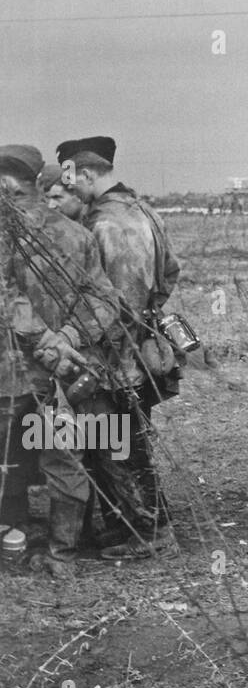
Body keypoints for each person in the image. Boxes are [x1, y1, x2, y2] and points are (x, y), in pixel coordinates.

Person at [0, 144, 122, 577]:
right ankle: (61, 555)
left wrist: (51, 341)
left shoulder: (20, 235)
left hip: (18, 375)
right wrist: (67, 342)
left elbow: (8, 303)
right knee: (63, 460)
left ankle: (19, 537)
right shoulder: (75, 234)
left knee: (18, 459)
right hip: (63, 376)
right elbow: (106, 302)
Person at [60, 134, 182, 559]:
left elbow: (116, 301)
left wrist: (89, 341)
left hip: (114, 356)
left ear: (88, 173)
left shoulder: (107, 223)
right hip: (133, 347)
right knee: (125, 438)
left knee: (117, 442)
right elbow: (169, 273)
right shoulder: (141, 209)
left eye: (71, 178)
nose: (68, 188)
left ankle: (147, 533)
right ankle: (136, 524)